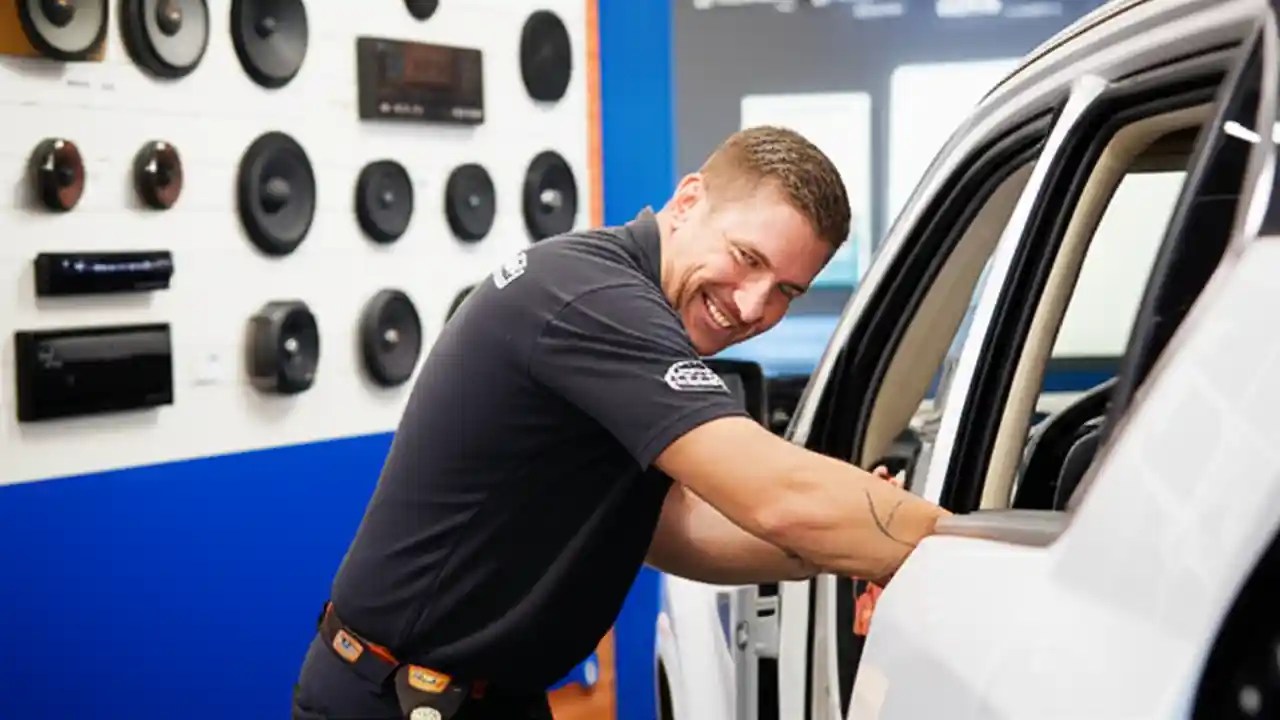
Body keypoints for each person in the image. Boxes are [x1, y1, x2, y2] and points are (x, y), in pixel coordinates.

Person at [291, 126, 951, 720]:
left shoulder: (624, 310)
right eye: (748, 259)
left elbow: (672, 530)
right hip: (394, 700)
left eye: (786, 290)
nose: (754, 305)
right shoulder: (595, 301)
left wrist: (844, 545)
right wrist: (956, 550)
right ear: (689, 200)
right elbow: (776, 494)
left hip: (484, 697)